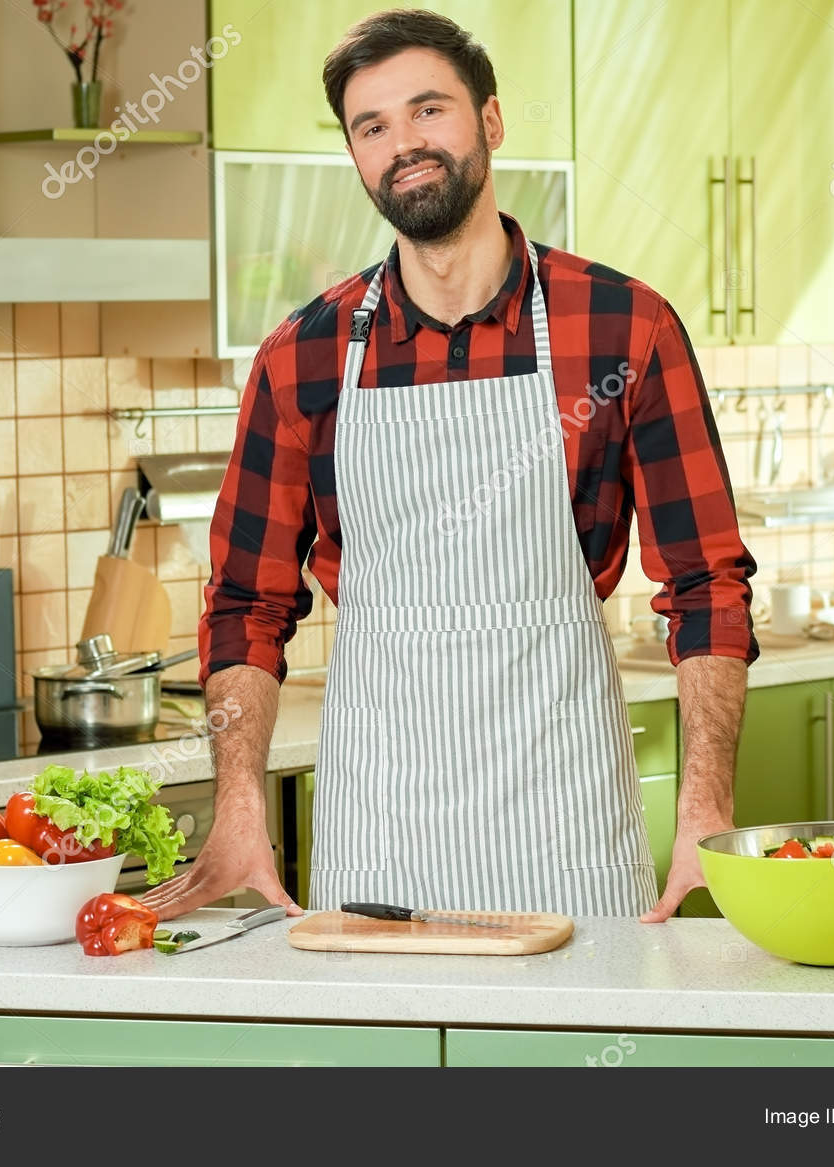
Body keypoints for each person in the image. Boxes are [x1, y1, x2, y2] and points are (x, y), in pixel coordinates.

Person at [141, 8, 756, 925]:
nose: (404, 145)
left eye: (429, 110)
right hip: (380, 831)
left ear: (492, 123)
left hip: (568, 830)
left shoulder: (625, 329)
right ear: (354, 154)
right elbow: (246, 604)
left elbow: (706, 581)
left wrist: (705, 811)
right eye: (373, 126)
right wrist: (238, 807)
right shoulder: (301, 358)